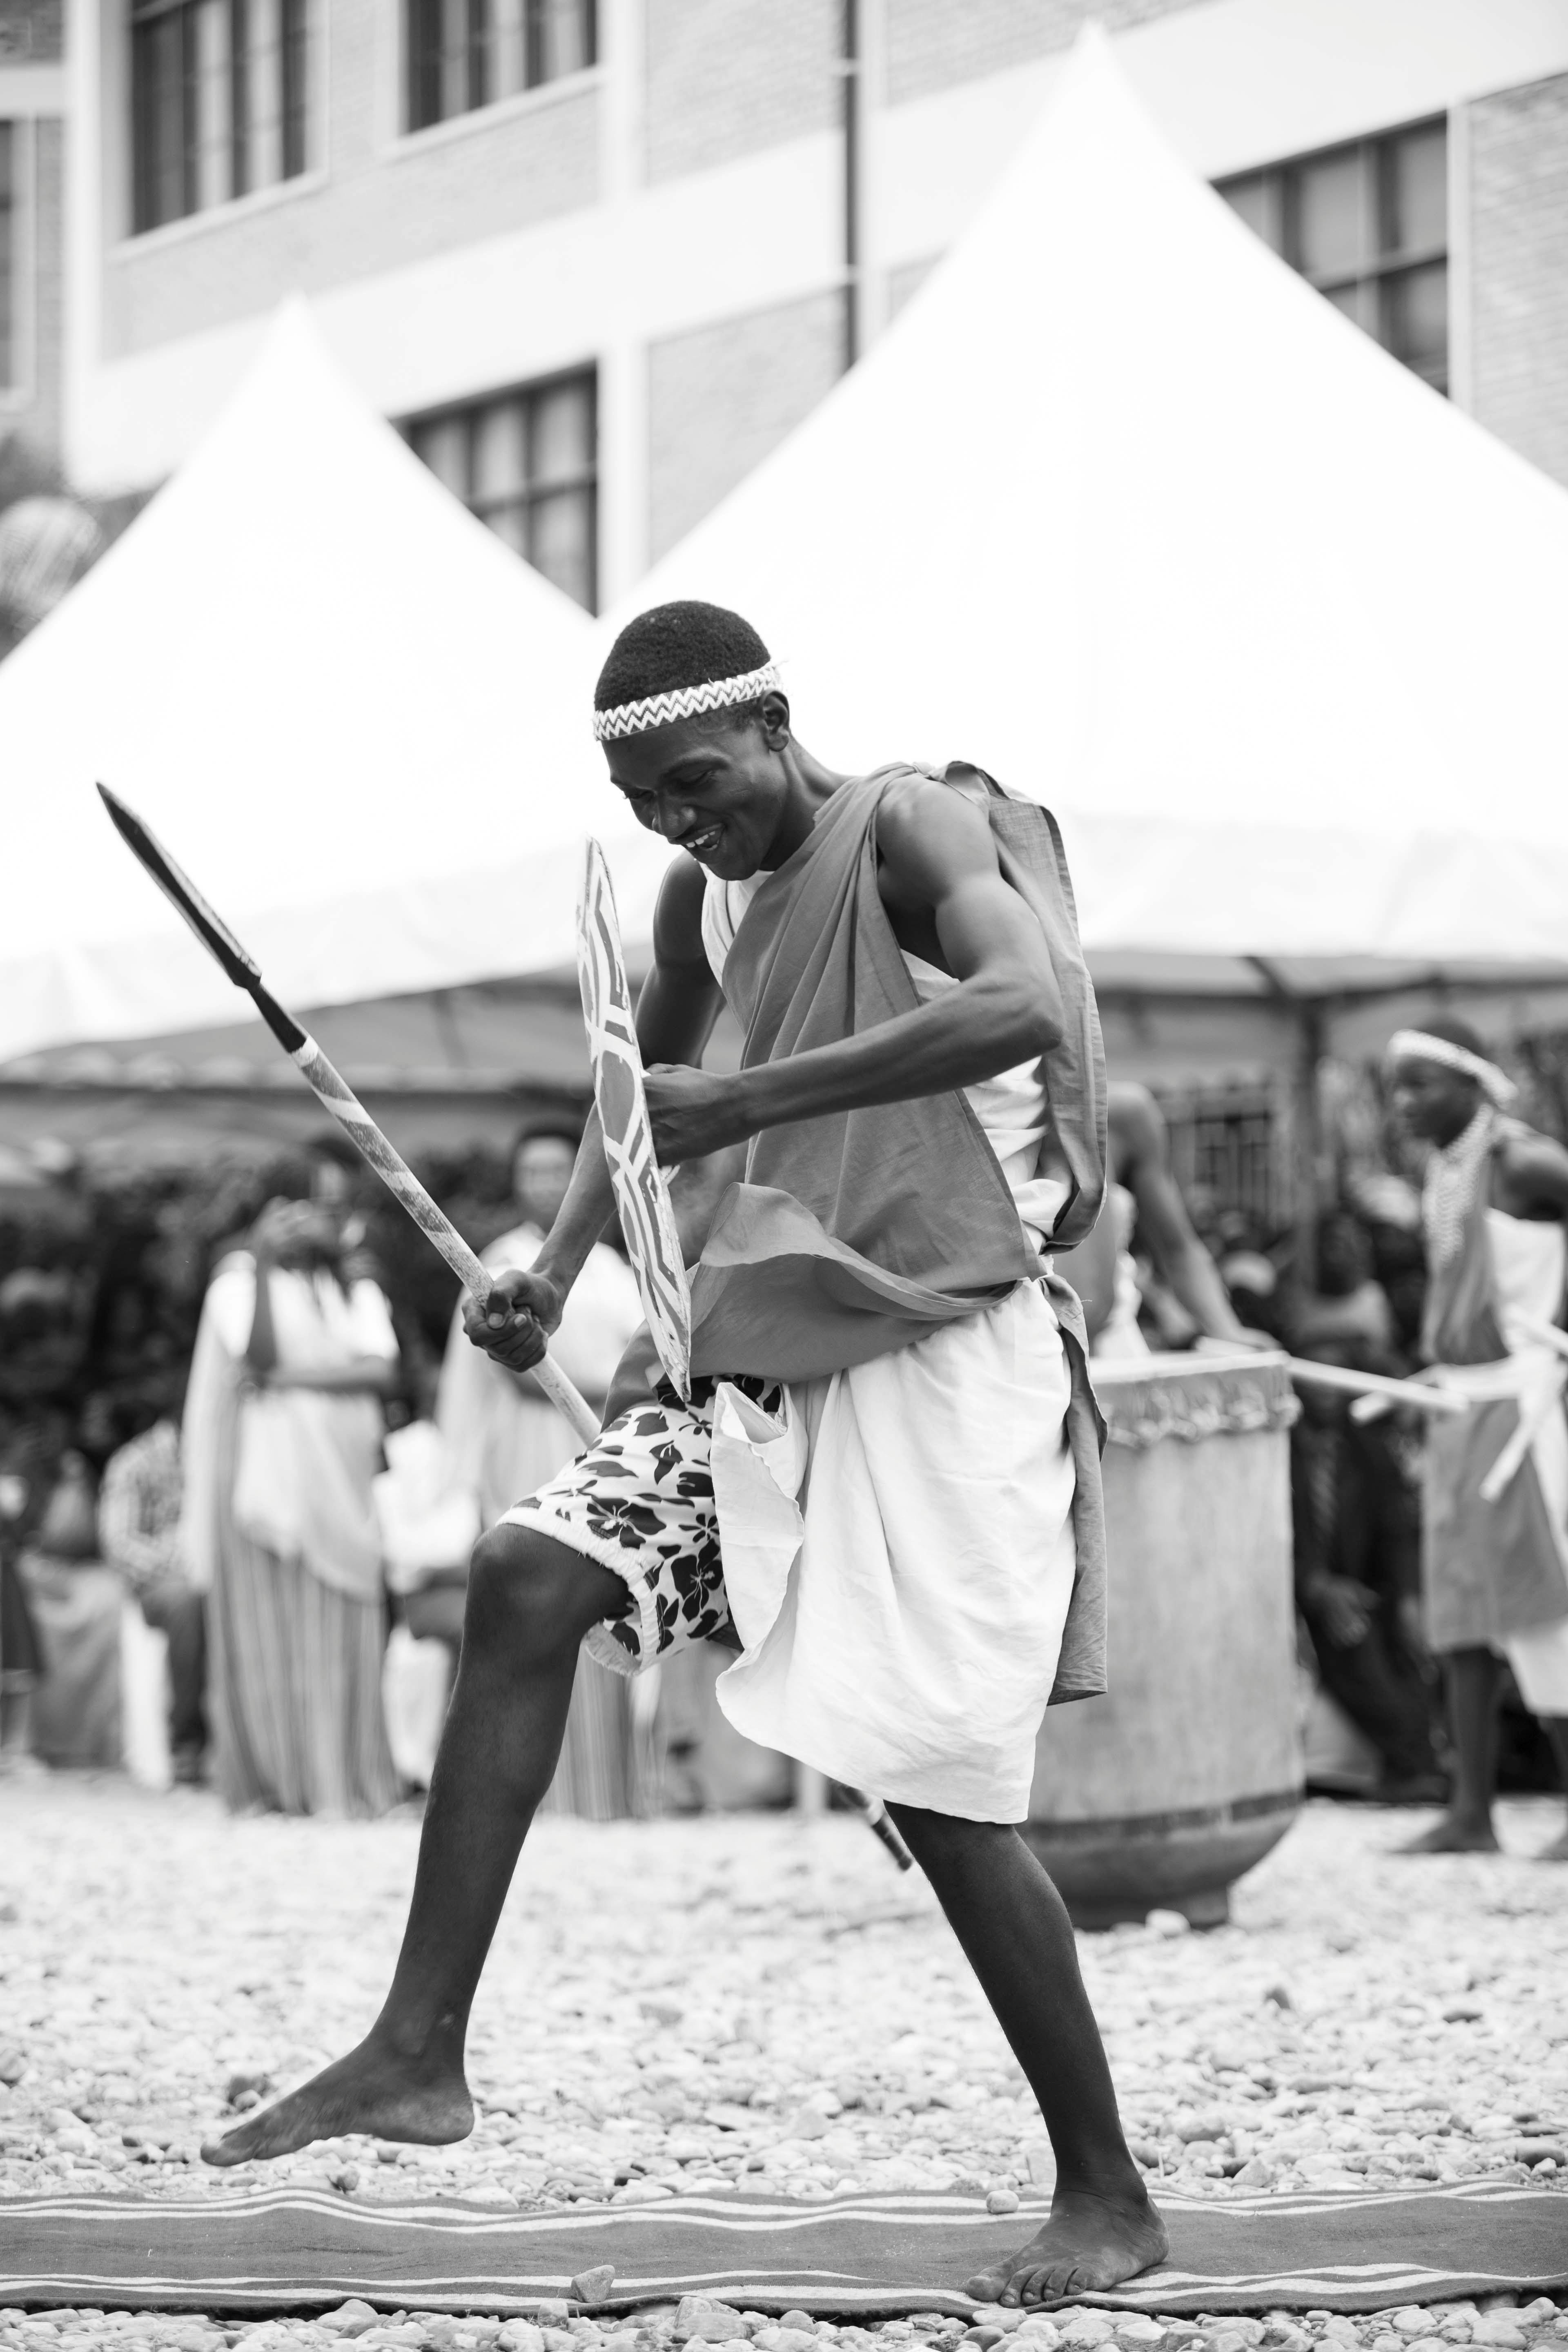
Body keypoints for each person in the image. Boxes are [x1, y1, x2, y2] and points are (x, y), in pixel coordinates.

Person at [205, 600, 1167, 2305]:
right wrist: (558, 1267)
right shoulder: (690, 894)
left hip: (952, 1357)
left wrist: (752, 1101)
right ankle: (418, 2051)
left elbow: (1021, 1002)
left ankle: (1107, 2190)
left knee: (940, 1797)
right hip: (778, 1356)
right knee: (521, 1576)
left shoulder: (911, 824)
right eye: (647, 800)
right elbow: (643, 1086)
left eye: (700, 784)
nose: (679, 821)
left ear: (778, 721)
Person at [1387, 1018, 1568, 1859]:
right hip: (1461, 1407)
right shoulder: (1447, 1171)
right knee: (1460, 1610)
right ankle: (1472, 1812)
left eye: (1421, 1083)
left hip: (1523, 1410)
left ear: (1473, 1081)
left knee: (1542, 1607)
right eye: (1399, 1085)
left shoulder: (1524, 1162)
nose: (1404, 1103)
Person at [180, 1153, 402, 1817]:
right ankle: (279, 1781)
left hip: (343, 1475)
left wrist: (290, 1385)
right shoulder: (238, 1281)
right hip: (265, 1477)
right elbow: (261, 1356)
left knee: (342, 1623)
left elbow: (381, 1372)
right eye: (310, 1204)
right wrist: (263, 1258)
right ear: (275, 1211)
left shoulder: (356, 1287)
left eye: (335, 1206)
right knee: (272, 1626)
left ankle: (346, 1778)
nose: (325, 1220)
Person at [432, 1120, 643, 1817]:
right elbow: (511, 1367)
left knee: (610, 1596)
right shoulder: (502, 1261)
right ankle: (534, 1789)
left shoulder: (618, 1268)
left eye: (561, 1169)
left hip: (608, 1442)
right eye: (535, 1171)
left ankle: (606, 1787)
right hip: (534, 1441)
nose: (549, 1183)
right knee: (539, 1593)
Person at [1291, 1214, 1442, 1803]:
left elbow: (1394, 1529)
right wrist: (1316, 1586)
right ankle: (1415, 1762)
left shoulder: (1365, 1449)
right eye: (1315, 1367)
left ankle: (1423, 1760)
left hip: (1359, 1585)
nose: (1327, 1384)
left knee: (1390, 1631)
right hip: (1308, 1594)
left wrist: (1405, 1599)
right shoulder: (1280, 1448)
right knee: (1350, 1631)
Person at [1056, 1082, 1250, 1355]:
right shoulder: (980, 1120)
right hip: (1005, 1361)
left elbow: (1178, 1248)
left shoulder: (1120, 1113)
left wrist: (1227, 1333)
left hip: (1111, 1352)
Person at [98, 1384, 207, 1784]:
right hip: (162, 1586)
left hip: (212, 1579)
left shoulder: (218, 1456)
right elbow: (121, 1546)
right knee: (188, 1602)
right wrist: (185, 1563)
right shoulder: (135, 1462)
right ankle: (188, 1744)